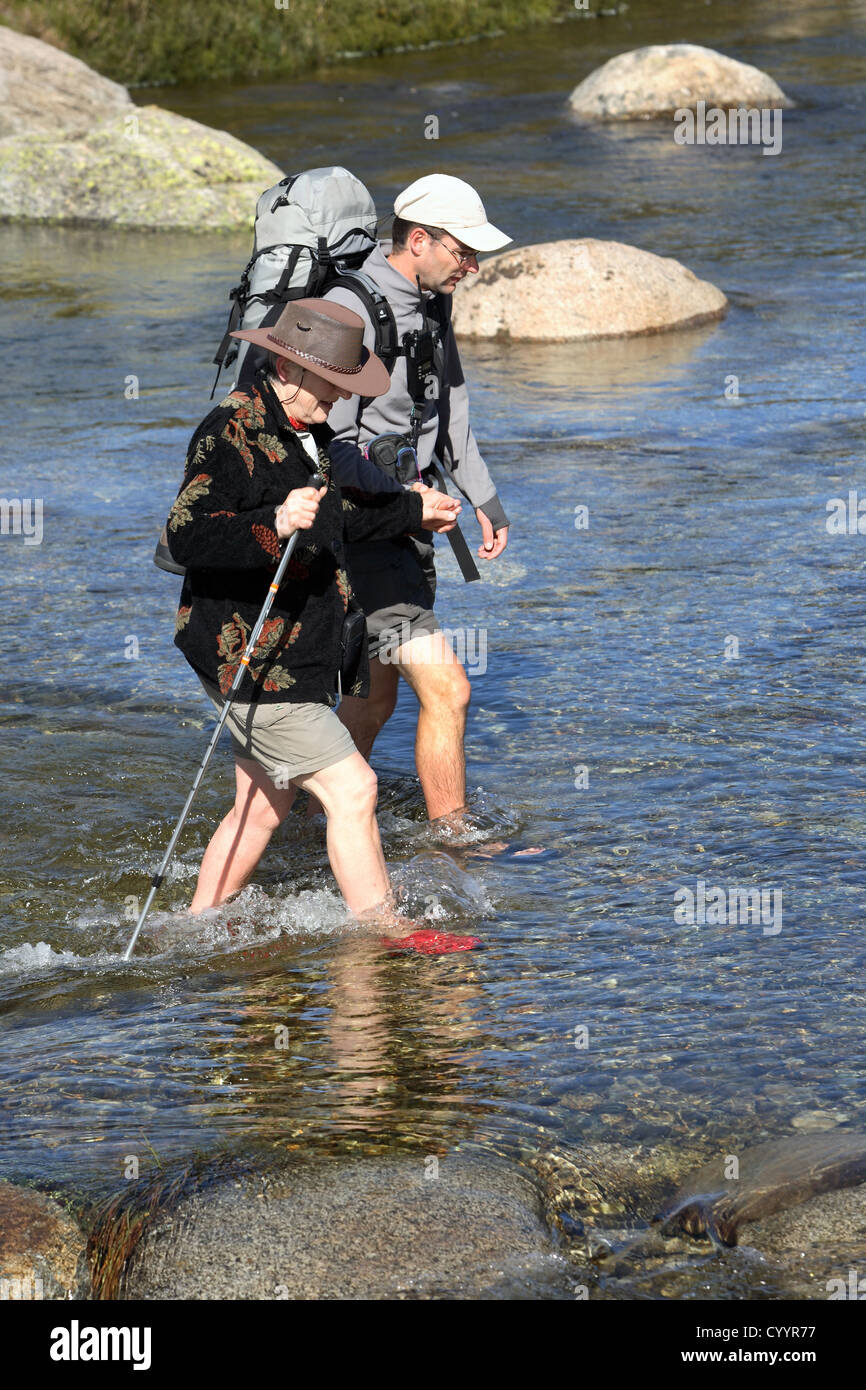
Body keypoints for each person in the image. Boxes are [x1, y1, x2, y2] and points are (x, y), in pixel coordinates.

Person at [164, 298, 467, 939]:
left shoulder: (313, 436)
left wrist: (416, 513)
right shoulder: (229, 430)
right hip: (245, 653)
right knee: (354, 788)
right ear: (292, 368)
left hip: (296, 650)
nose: (342, 399)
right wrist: (269, 523)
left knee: (263, 803)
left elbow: (342, 518)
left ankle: (193, 928)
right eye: (337, 385)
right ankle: (388, 930)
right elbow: (186, 534)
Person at [323, 173, 512, 824]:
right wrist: (405, 503)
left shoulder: (433, 301)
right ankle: (454, 846)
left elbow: (449, 405)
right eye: (465, 252)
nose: (474, 265)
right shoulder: (349, 310)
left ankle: (301, 822)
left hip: (407, 528)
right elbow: (330, 444)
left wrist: (485, 497)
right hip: (357, 538)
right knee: (449, 690)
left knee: (374, 702)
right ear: (422, 241)